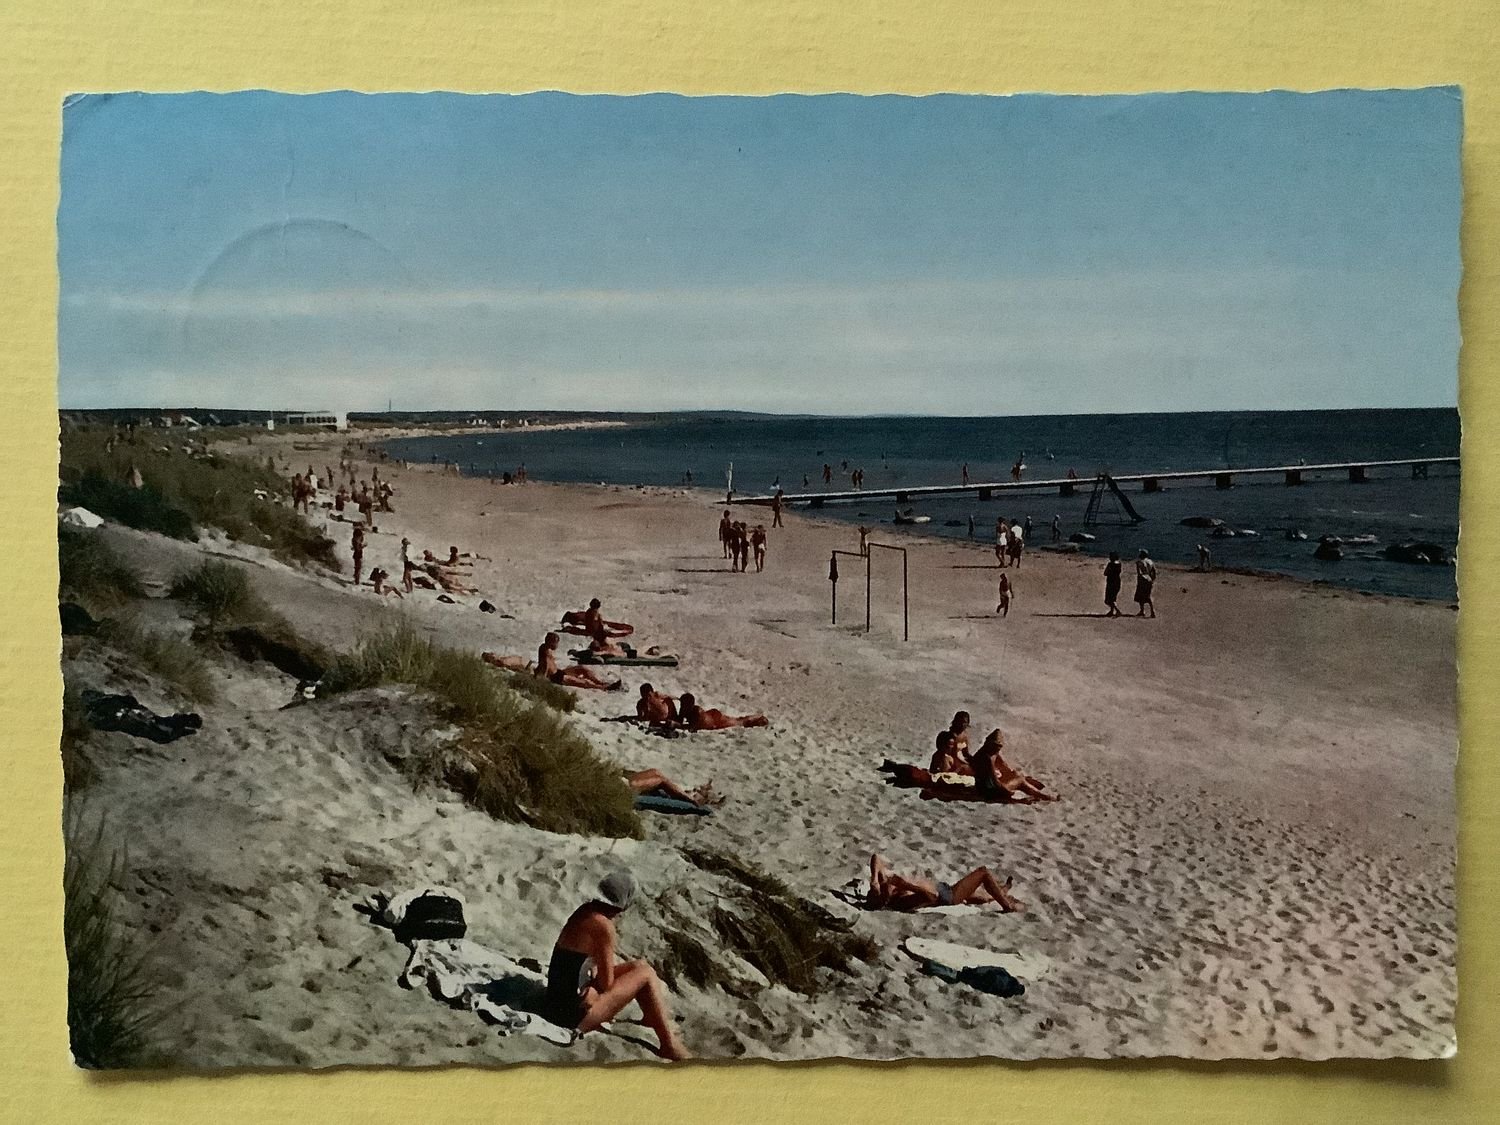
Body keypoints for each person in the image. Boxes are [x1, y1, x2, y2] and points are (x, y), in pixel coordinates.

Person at [544, 872, 691, 1060]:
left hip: (556, 1002)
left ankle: (652, 1018)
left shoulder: (585, 911)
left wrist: (592, 987)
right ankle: (668, 1044)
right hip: (569, 1016)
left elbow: (586, 965)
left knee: (639, 965)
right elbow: (607, 984)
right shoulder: (604, 926)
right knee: (644, 974)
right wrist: (595, 991)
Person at [864, 854, 1024, 913]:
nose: (876, 888)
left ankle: (1001, 892)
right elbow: (932, 897)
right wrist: (906, 885)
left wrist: (874, 879)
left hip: (944, 887)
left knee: (982, 897)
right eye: (874, 892)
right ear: (883, 898)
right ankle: (1007, 906)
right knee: (983, 873)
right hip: (948, 896)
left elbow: (876, 858)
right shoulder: (902, 900)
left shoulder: (888, 888)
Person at [972, 728, 1058, 803]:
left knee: (1017, 776)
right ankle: (1044, 796)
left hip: (986, 787)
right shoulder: (987, 758)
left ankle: (1031, 788)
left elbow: (1005, 768)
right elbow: (995, 782)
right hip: (988, 791)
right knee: (1020, 781)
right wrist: (1008, 792)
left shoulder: (990, 753)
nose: (997, 749)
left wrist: (1017, 776)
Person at [537, 632, 623, 691]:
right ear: (551, 642)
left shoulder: (545, 648)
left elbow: (542, 664)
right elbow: (545, 665)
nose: (557, 645)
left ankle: (600, 682)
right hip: (555, 678)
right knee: (583, 682)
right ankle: (604, 688)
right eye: (556, 643)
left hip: (558, 672)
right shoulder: (546, 651)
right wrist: (543, 680)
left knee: (582, 668)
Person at [677, 692, 768, 730]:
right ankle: (758, 717)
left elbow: (691, 727)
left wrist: (676, 725)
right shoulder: (685, 709)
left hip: (716, 721)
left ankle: (759, 718)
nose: (682, 706)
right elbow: (680, 719)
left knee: (739, 722)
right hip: (711, 716)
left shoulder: (697, 712)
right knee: (737, 720)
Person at [1135, 548, 1157, 618]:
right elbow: (1154, 571)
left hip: (1142, 580)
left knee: (1140, 595)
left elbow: (1139, 573)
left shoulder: (1139, 562)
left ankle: (1142, 610)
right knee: (1148, 595)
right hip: (1149, 579)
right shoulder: (1150, 562)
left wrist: (1139, 580)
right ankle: (1152, 611)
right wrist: (1153, 579)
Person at [1104, 551, 1123, 617]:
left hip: (1111, 582)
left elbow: (1105, 573)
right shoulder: (1119, 564)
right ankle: (1111, 611)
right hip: (1117, 581)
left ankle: (1117, 611)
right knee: (1113, 597)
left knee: (1109, 599)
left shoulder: (1110, 564)